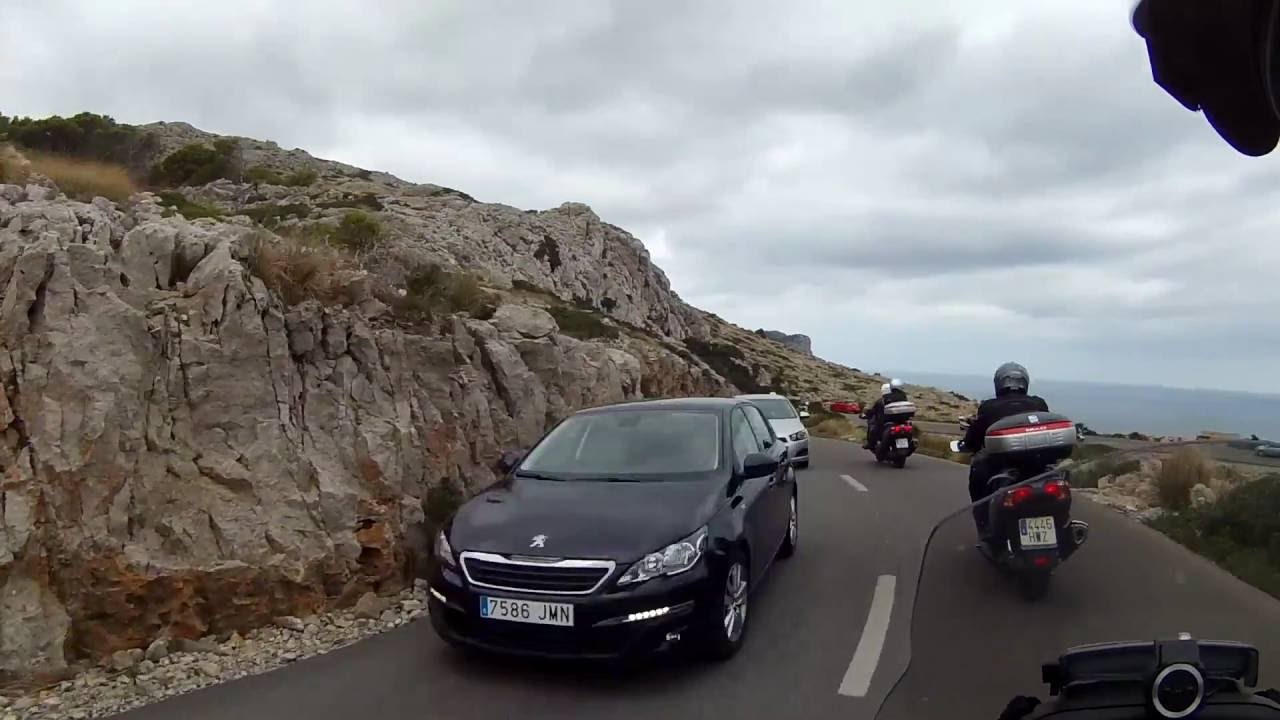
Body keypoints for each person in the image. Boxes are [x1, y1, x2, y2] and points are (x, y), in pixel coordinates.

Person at [959, 363, 1049, 535]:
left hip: (1000, 464)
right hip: (1038, 462)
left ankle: (984, 522)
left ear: (999, 383)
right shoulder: (1039, 403)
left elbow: (975, 437)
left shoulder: (989, 406)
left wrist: (969, 445)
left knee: (977, 475)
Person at [863, 379, 908, 449]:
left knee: (873, 427)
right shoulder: (903, 396)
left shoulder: (883, 399)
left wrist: (867, 414)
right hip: (901, 421)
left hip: (886, 421)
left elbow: (874, 410)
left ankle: (871, 443)